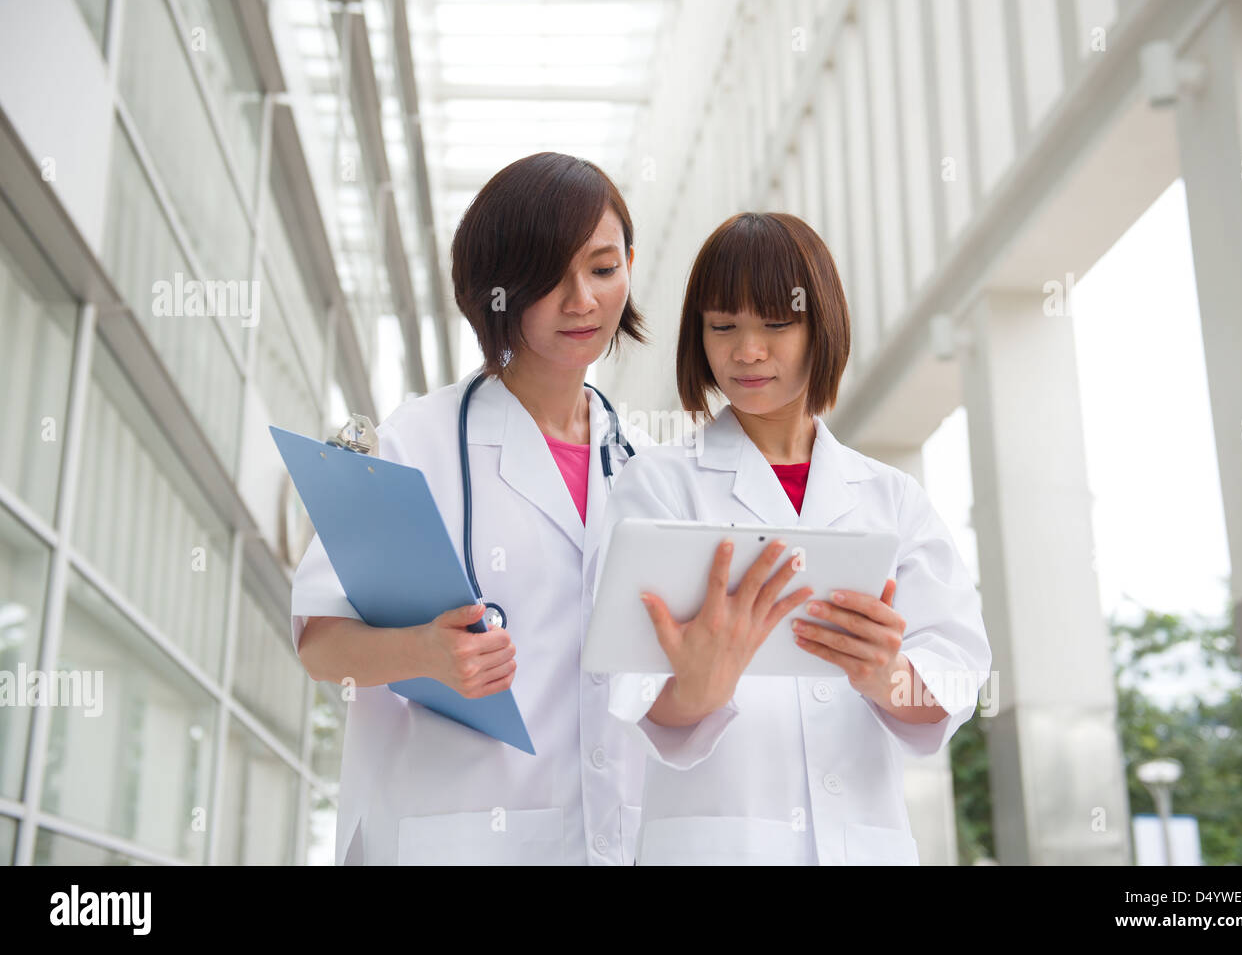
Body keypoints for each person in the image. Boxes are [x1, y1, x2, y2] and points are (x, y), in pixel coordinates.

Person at [596, 211, 992, 865]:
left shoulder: (892, 501)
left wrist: (884, 674)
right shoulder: (658, 488)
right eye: (723, 326)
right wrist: (702, 680)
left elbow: (952, 682)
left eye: (777, 324)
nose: (747, 351)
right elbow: (632, 692)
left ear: (822, 326)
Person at [291, 152, 653, 865]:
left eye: (604, 269)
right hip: (451, 836)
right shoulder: (416, 440)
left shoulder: (646, 465)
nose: (581, 300)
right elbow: (320, 642)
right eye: (550, 277)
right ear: (497, 291)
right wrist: (424, 652)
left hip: (610, 841)